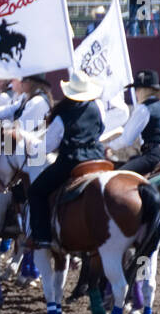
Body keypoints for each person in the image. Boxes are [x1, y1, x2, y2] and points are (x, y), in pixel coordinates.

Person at [28, 72, 104, 247]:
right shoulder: (97, 107)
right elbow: (100, 130)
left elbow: (47, 147)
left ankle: (42, 236)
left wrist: (32, 147)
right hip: (97, 158)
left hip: (72, 162)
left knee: (35, 192)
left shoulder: (63, 115)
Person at [110, 70, 160, 175]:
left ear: (143, 90)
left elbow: (126, 139)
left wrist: (109, 146)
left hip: (154, 156)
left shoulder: (143, 108)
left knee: (116, 176)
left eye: (137, 89)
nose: (135, 92)